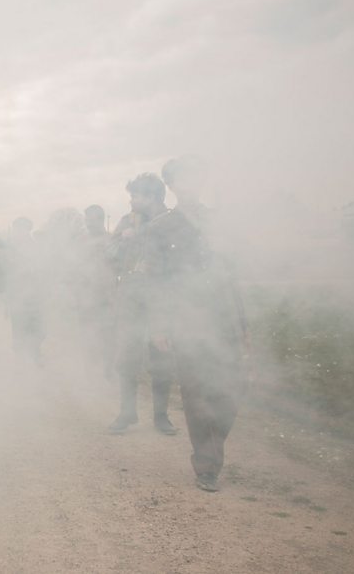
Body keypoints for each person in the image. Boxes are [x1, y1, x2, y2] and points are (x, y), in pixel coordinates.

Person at [148, 156, 247, 492]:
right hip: (186, 318)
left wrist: (242, 322)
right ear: (172, 186)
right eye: (183, 178)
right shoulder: (160, 228)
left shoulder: (219, 221)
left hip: (225, 316)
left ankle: (214, 442)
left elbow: (234, 273)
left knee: (232, 389)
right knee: (196, 392)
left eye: (196, 177)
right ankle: (207, 464)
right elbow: (156, 280)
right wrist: (159, 324)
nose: (191, 183)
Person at [107, 173, 178, 436]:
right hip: (131, 297)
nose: (131, 201)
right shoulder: (127, 222)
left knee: (161, 357)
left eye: (135, 196)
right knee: (126, 356)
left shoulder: (172, 222)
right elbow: (108, 254)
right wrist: (123, 240)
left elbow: (182, 262)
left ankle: (161, 417)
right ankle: (127, 412)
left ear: (151, 196)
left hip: (162, 298)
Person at [1, 216, 46, 365]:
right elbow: (6, 273)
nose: (17, 232)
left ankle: (35, 355)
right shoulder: (10, 248)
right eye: (16, 229)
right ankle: (21, 361)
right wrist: (7, 299)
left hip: (34, 296)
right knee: (19, 331)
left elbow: (42, 269)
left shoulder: (35, 247)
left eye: (20, 229)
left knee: (37, 330)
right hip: (17, 296)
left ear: (27, 230)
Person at [79, 204, 115, 378]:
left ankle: (107, 374)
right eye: (86, 219)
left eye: (90, 220)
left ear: (100, 219)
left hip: (107, 298)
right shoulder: (82, 242)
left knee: (107, 338)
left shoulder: (111, 240)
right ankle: (90, 375)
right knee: (88, 337)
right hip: (86, 298)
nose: (87, 223)